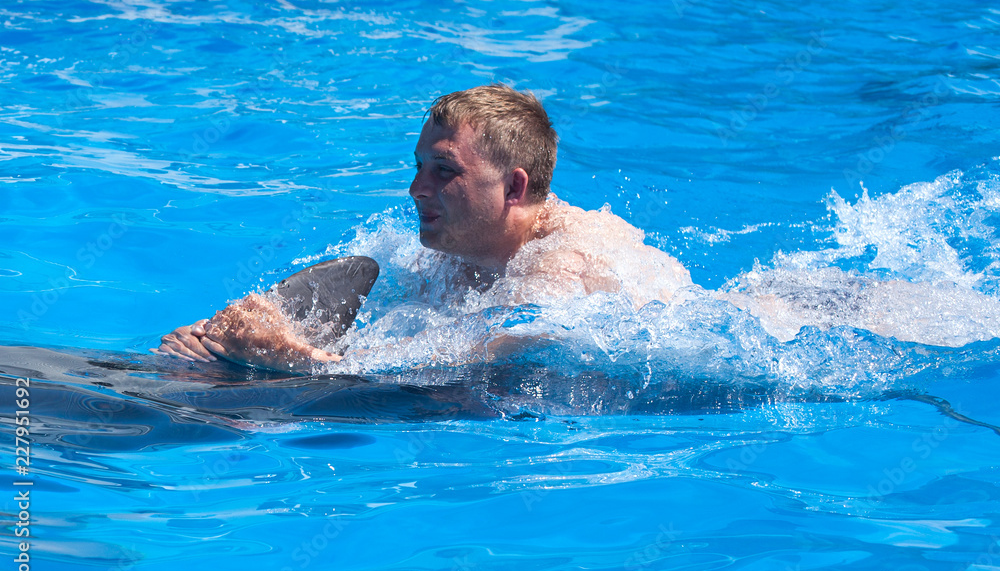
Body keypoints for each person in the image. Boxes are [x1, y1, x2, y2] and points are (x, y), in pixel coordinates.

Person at [154, 84, 693, 371]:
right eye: (417, 166)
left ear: (514, 187)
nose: (417, 188)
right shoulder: (458, 244)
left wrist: (284, 355)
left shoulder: (565, 261)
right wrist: (220, 338)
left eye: (444, 171)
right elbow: (379, 331)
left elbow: (473, 359)